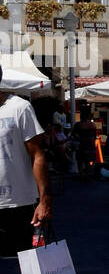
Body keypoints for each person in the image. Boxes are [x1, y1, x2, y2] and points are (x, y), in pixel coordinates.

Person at [0, 66, 53, 257]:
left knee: (25, 269)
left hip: (17, 205)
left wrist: (44, 201)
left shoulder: (19, 108)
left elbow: (37, 154)